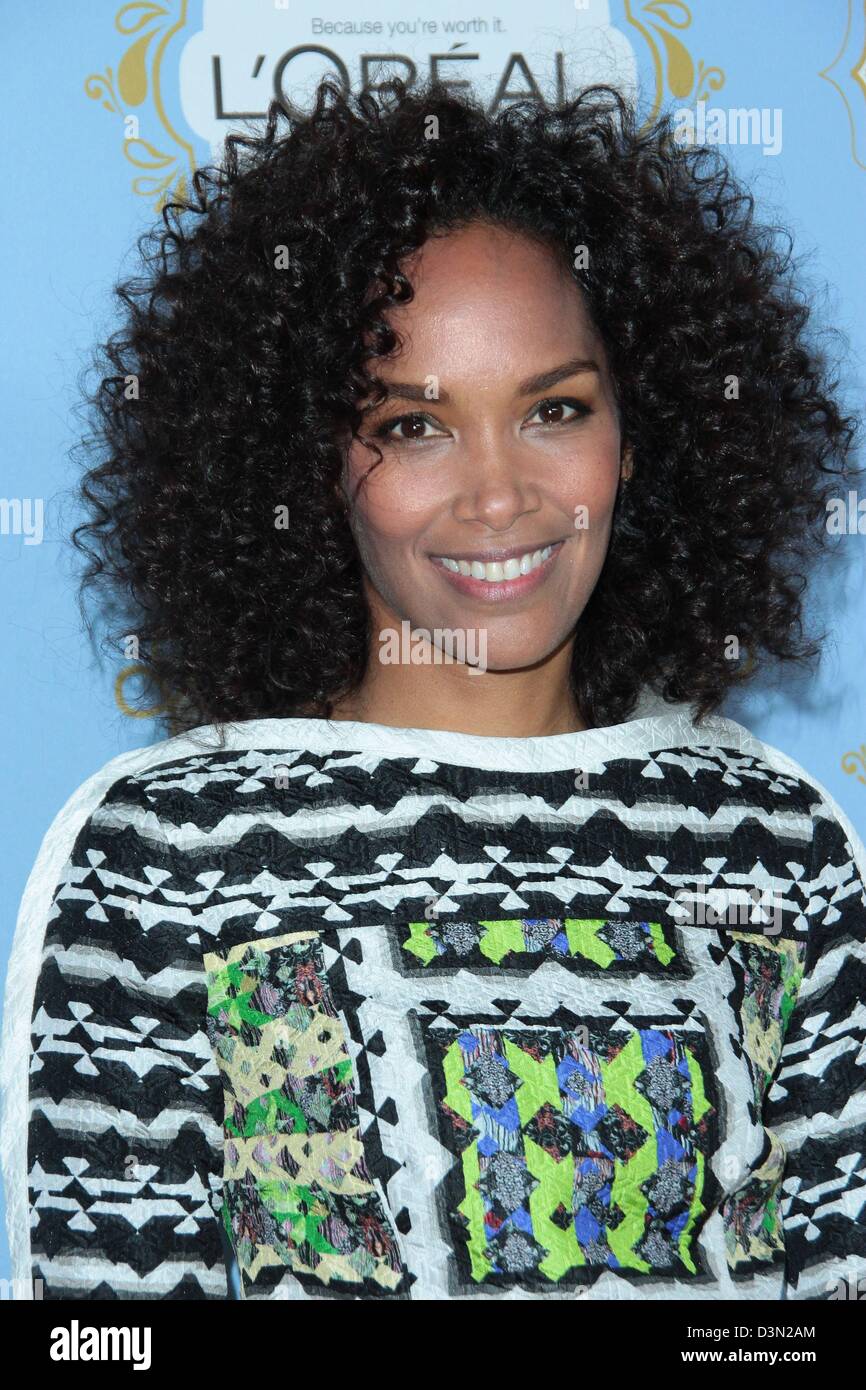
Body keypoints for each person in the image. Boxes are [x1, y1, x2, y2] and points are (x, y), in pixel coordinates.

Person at [1, 76, 864, 1301]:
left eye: (553, 409)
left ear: (642, 429)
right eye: (412, 426)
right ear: (303, 450)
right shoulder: (163, 851)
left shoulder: (770, 841)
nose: (497, 494)